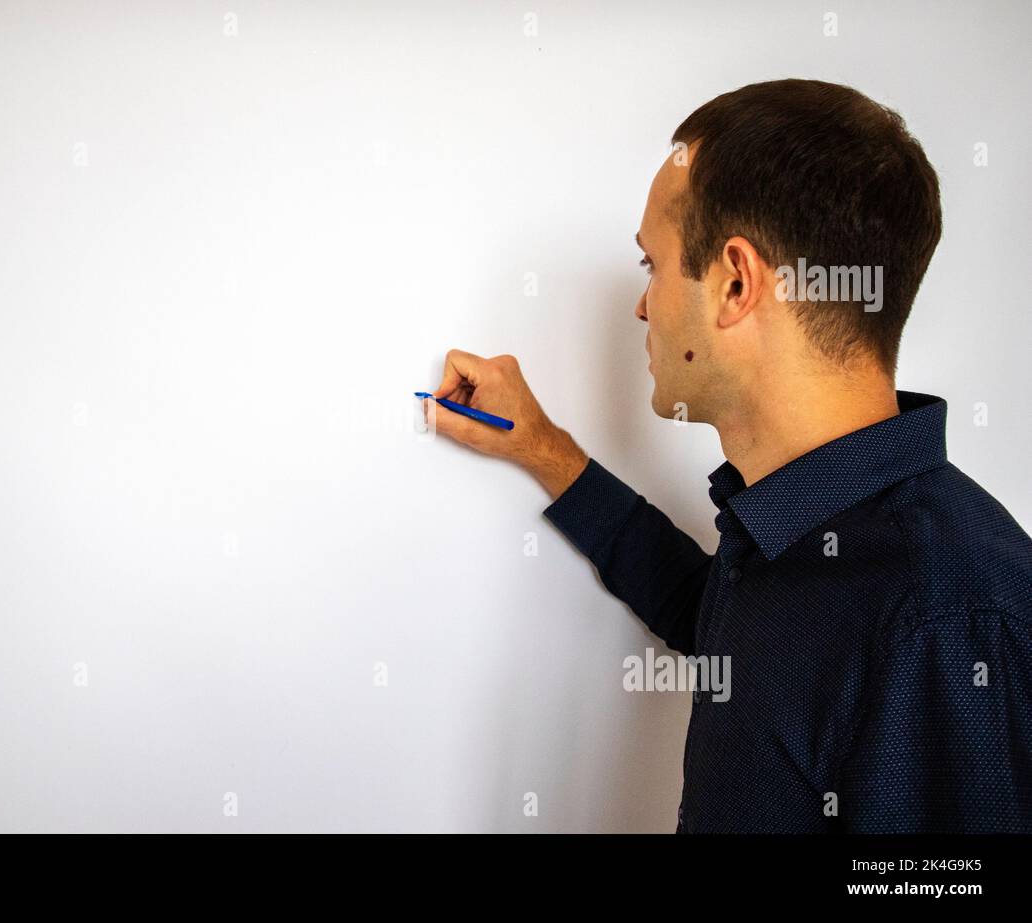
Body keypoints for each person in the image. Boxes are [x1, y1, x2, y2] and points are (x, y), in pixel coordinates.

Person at [421, 79, 1032, 833]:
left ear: (736, 282)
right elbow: (715, 615)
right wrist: (545, 448)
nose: (642, 304)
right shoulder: (803, 532)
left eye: (653, 264)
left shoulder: (951, 619)